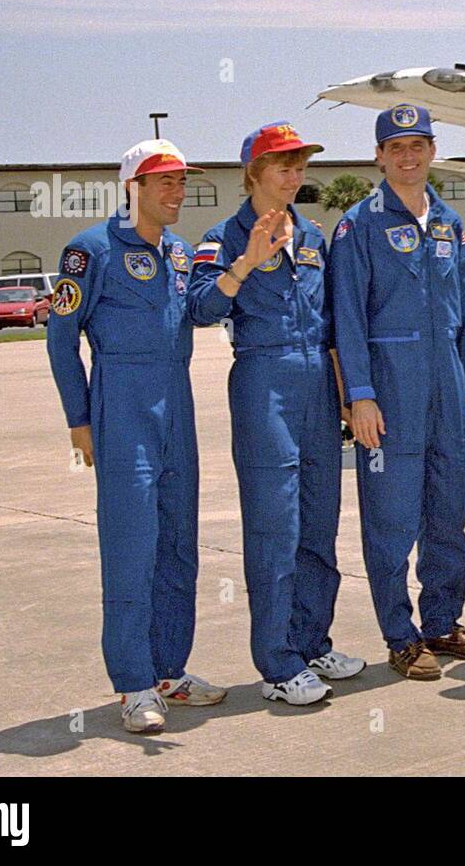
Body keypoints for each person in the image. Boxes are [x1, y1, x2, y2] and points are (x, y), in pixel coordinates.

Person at [47, 139, 225, 732]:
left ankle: (169, 671)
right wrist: (81, 420)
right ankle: (132, 683)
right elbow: (60, 339)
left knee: (179, 541)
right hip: (121, 402)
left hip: (177, 400)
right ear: (135, 188)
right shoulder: (90, 251)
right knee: (131, 547)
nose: (177, 193)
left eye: (181, 182)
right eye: (165, 182)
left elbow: (200, 311)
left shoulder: (177, 252)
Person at [188, 122, 365, 705]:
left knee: (319, 520)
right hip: (264, 378)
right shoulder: (222, 236)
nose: (294, 176)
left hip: (316, 379)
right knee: (274, 526)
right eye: (282, 166)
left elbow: (336, 322)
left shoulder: (313, 234)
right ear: (253, 174)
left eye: (300, 165)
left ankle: (312, 640)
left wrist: (345, 393)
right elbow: (200, 309)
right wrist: (244, 264)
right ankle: (277, 661)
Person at [329, 104, 465, 681]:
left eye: (417, 144)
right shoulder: (358, 225)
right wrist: (361, 395)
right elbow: (346, 318)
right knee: (392, 519)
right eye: (395, 147)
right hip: (390, 387)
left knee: (449, 511)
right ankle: (400, 636)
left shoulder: (448, 222)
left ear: (432, 150)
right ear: (379, 155)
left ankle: (443, 623)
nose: (407, 155)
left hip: (447, 385)